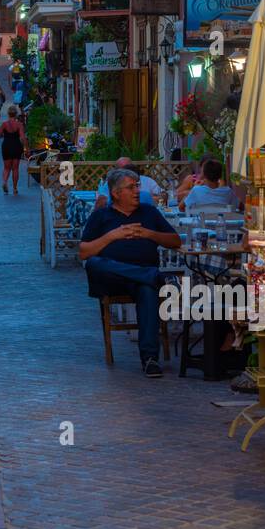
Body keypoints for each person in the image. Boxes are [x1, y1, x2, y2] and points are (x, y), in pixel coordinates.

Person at [79, 168, 181, 378]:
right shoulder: (101, 216)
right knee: (94, 263)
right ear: (116, 193)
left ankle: (150, 359)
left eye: (137, 186)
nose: (137, 191)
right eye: (131, 187)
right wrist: (112, 236)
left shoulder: (148, 212)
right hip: (111, 280)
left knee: (147, 289)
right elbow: (84, 252)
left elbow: (175, 241)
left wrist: (148, 233)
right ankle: (153, 276)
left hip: (140, 280)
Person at [95, 157, 162, 209]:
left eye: (128, 167)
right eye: (123, 169)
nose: (126, 172)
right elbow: (101, 202)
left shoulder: (147, 181)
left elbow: (164, 195)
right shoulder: (111, 184)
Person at [0, 104, 27, 195]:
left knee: (6, 168)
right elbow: (22, 138)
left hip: (6, 145)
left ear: (8, 114)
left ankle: (5, 182)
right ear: (16, 114)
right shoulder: (19, 124)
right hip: (16, 146)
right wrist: (27, 148)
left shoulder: (4, 124)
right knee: (15, 168)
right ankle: (15, 188)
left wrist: (4, 135)